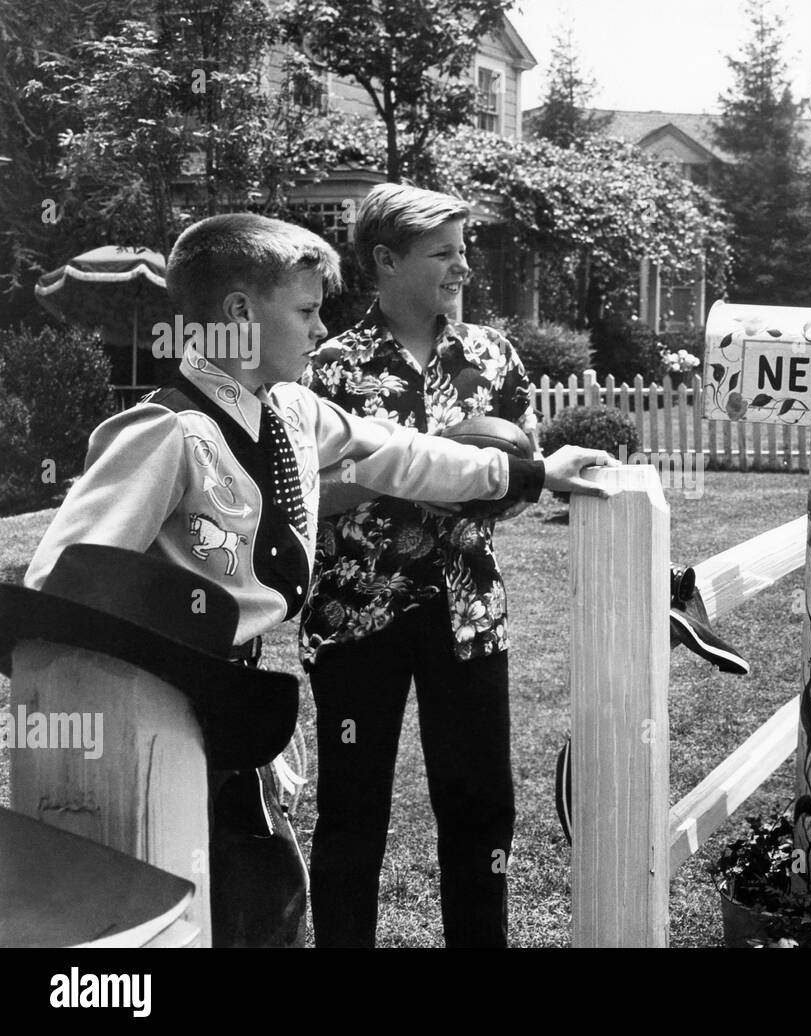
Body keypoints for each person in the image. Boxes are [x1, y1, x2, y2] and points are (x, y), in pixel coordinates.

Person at [22, 212, 618, 946]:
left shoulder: (294, 410)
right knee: (165, 904)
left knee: (256, 898)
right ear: (241, 314)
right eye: (304, 311)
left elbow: (407, 454)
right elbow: (63, 579)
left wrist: (531, 471)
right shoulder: (167, 430)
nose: (317, 328)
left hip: (232, 701)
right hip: (146, 704)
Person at [300, 184, 542, 947]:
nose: (463, 266)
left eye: (463, 249)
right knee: (351, 814)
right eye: (443, 252)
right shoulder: (329, 368)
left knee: (480, 809)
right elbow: (304, 493)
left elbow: (522, 473)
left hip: (469, 614)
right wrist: (414, 477)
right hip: (356, 615)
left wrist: (493, 491)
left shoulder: (492, 357)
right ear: (385, 259)